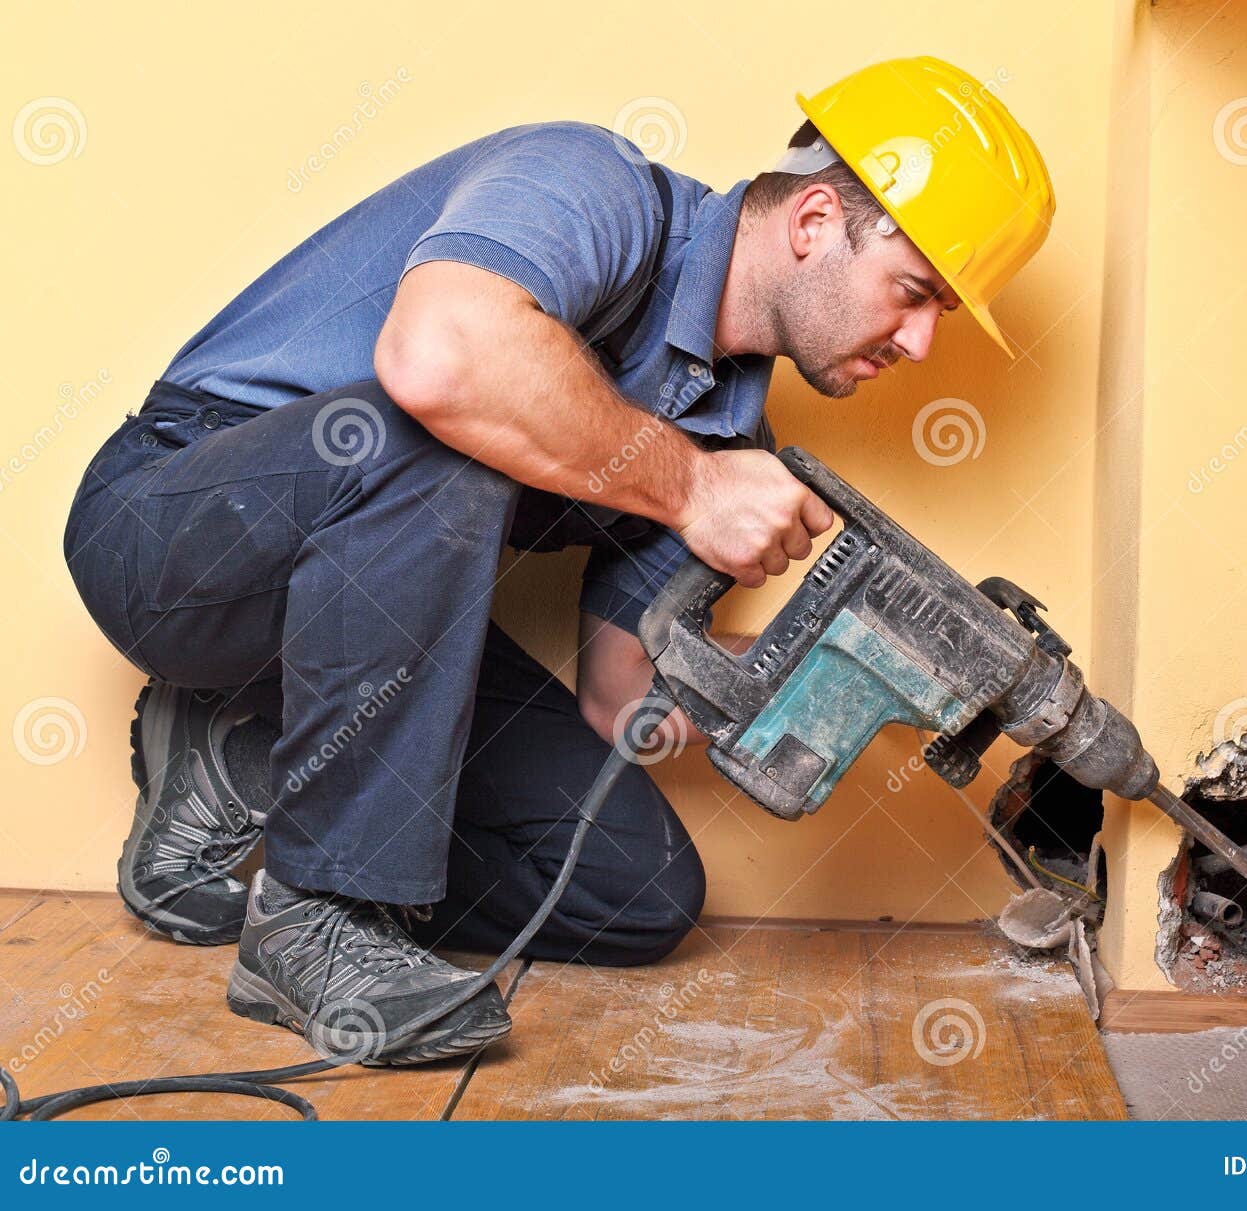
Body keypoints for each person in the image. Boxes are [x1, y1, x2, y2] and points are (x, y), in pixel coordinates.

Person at [60, 57, 1054, 1063]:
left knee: (637, 888)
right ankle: (317, 916)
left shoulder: (722, 439)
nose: (923, 343)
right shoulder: (592, 183)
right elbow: (439, 357)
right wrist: (694, 491)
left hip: (362, 635)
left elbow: (618, 697)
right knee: (444, 434)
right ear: (811, 224)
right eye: (915, 292)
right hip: (173, 527)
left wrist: (838, 678)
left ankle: (243, 763)